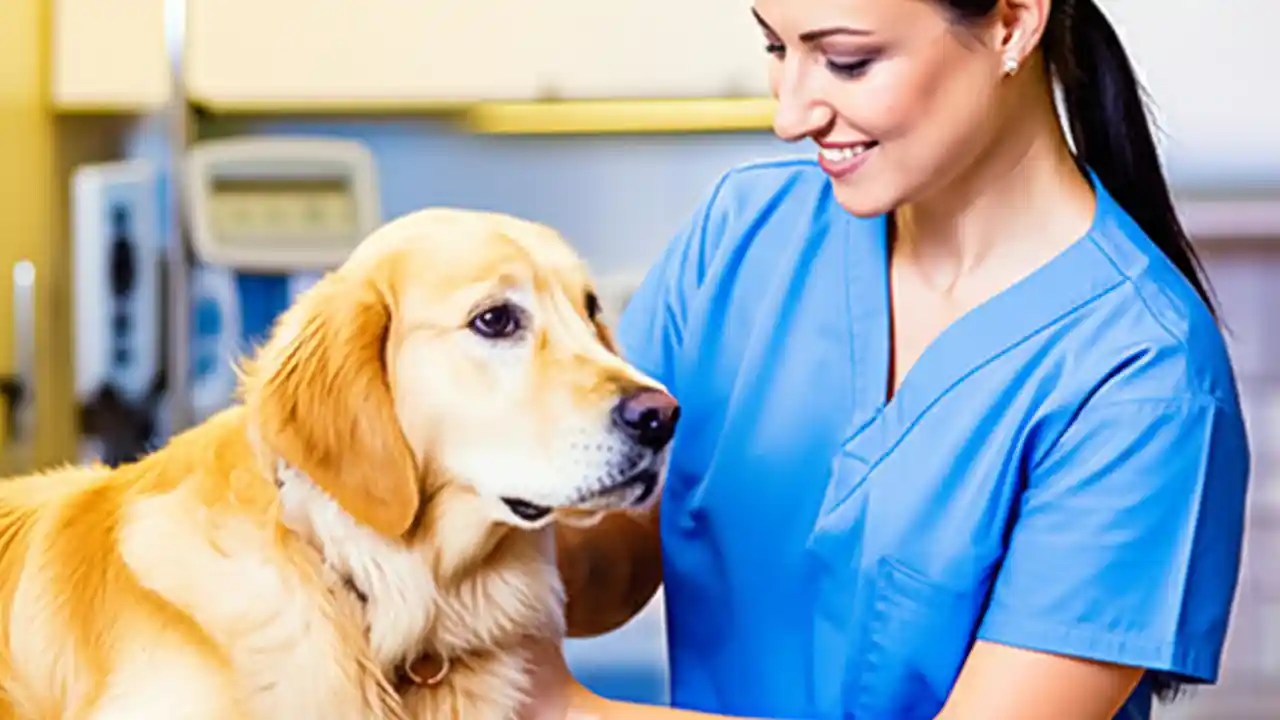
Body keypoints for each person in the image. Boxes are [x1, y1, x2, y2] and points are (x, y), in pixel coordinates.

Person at [521, 0, 1252, 718]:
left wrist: (567, 711)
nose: (792, 116)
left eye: (847, 61)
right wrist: (461, 532)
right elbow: (607, 572)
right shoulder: (740, 236)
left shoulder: (1142, 375)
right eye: (777, 49)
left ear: (1011, 23)